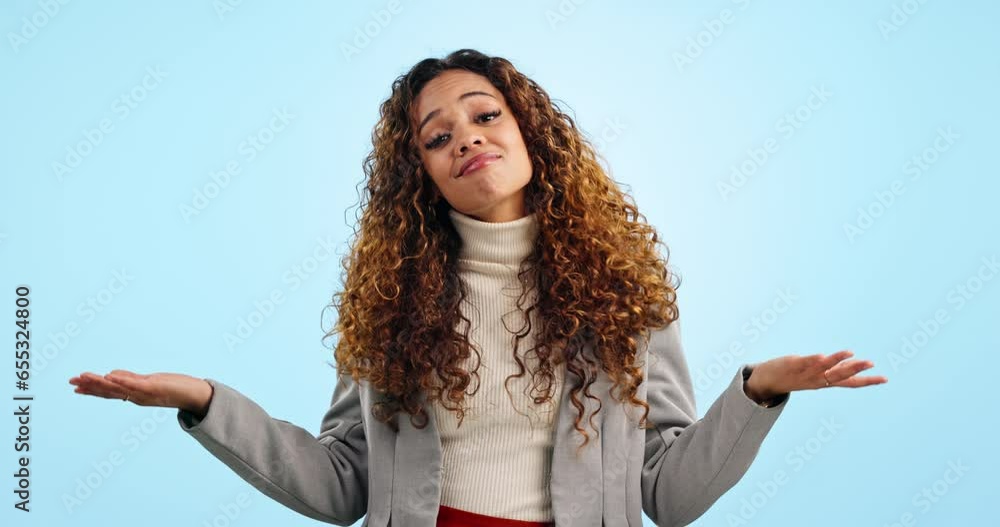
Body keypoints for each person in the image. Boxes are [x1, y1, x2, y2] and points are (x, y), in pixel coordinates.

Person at [69, 49, 887, 527]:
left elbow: (667, 494)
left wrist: (759, 391)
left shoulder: (625, 296)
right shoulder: (392, 307)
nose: (467, 139)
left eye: (485, 115)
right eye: (437, 136)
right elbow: (339, 484)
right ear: (420, 176)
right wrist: (205, 399)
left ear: (530, 131)